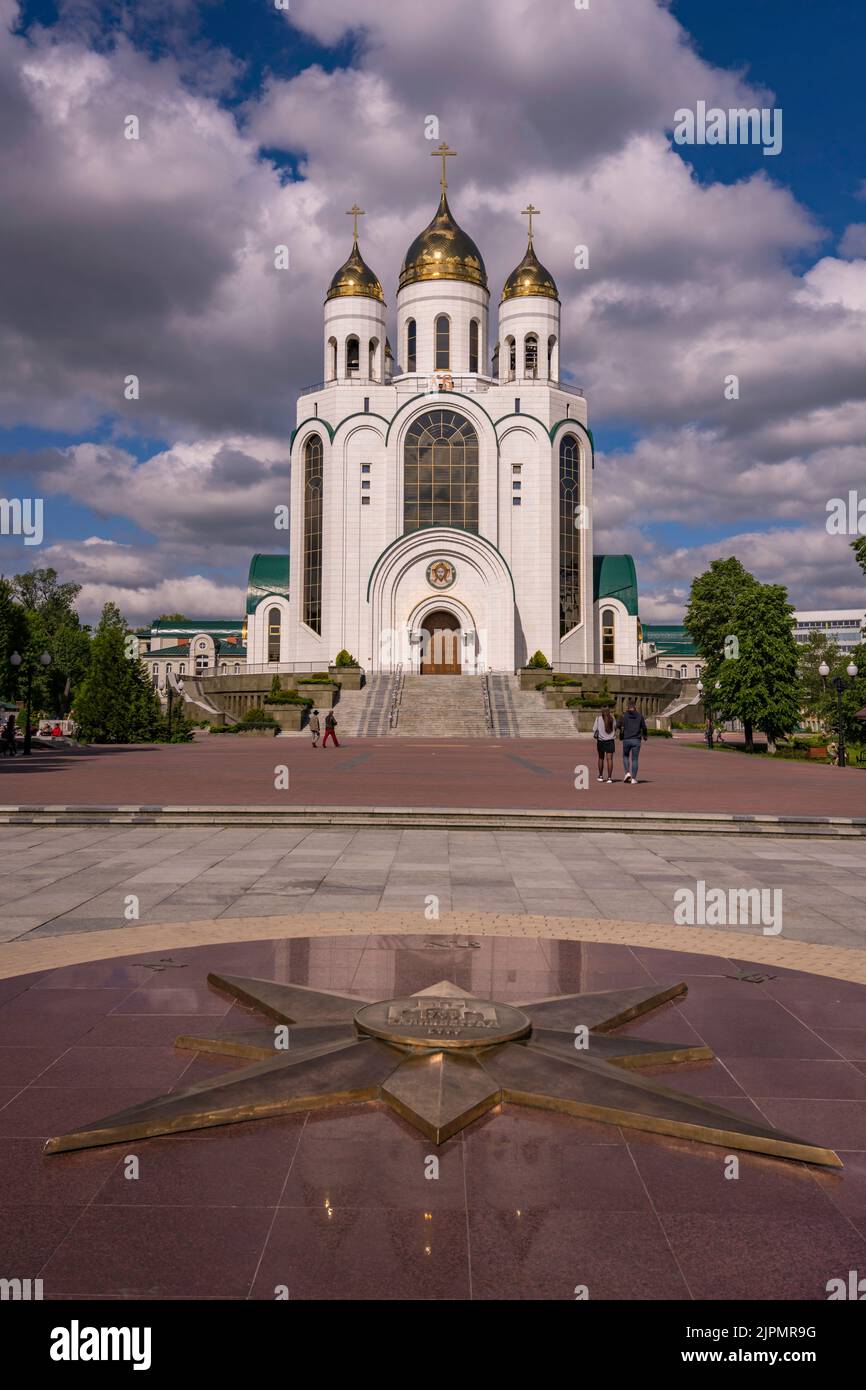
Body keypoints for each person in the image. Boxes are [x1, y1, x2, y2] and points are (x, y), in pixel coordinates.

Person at [616, 698, 648, 784]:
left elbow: (617, 725)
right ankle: (634, 778)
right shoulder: (640, 716)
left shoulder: (624, 715)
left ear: (627, 706)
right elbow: (644, 727)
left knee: (625, 756)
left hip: (626, 739)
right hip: (636, 740)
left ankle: (627, 773)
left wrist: (623, 729)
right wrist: (645, 735)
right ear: (635, 706)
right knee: (635, 759)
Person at [592, 706, 616, 783]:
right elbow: (615, 728)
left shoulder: (598, 719)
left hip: (601, 741)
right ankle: (609, 778)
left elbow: (594, 729)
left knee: (601, 758)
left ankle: (601, 776)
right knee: (610, 759)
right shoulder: (612, 719)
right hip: (610, 741)